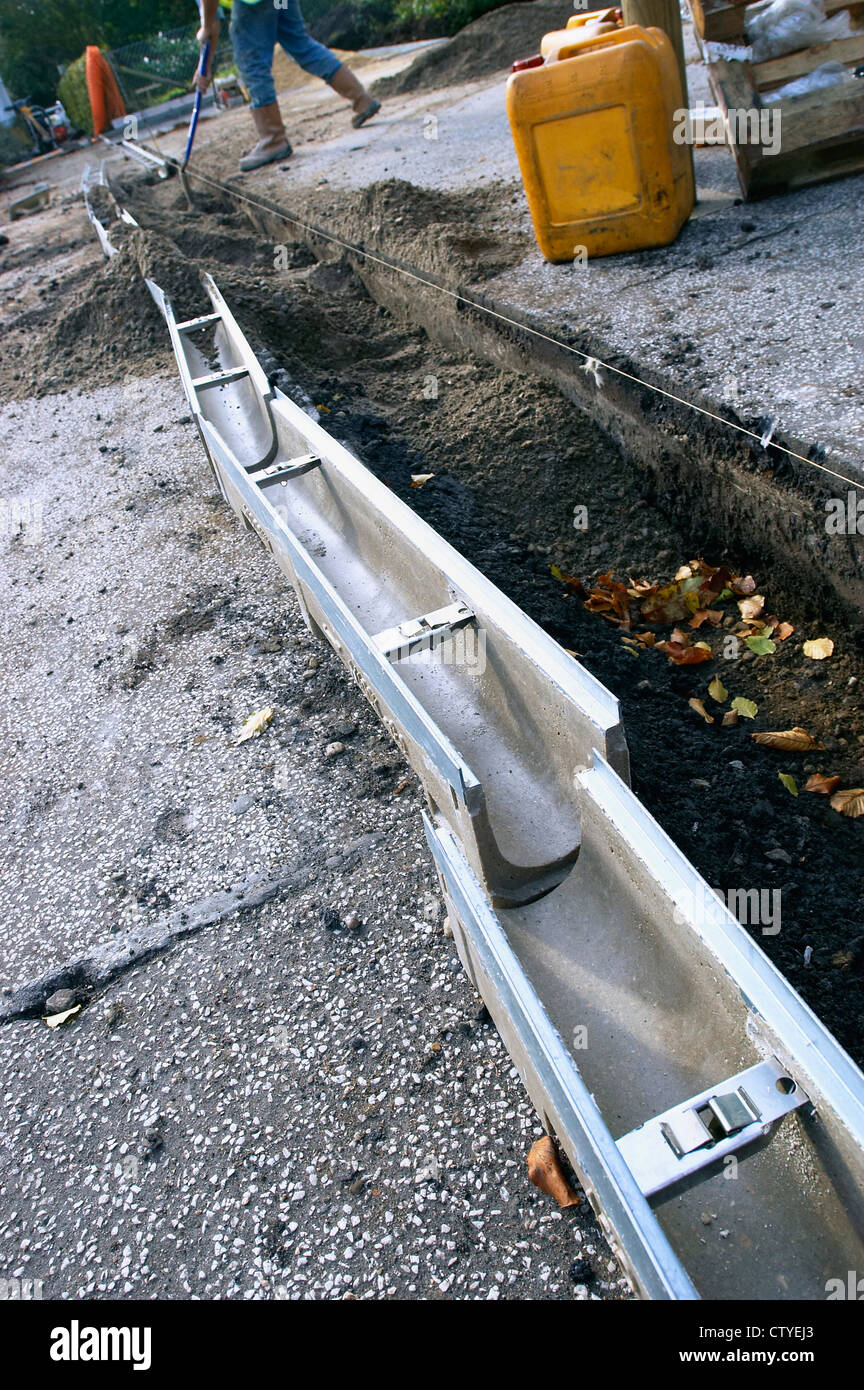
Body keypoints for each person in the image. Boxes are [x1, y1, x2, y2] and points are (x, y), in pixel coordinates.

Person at [195, 0, 381, 172]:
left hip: (256, 4)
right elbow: (213, 22)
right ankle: (362, 99)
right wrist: (206, 66)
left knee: (252, 62)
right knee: (299, 43)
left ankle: (273, 140)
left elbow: (211, 23)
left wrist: (204, 29)